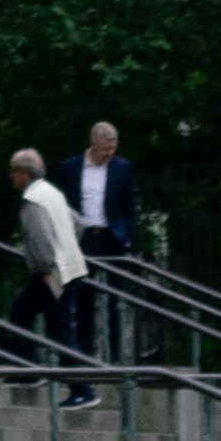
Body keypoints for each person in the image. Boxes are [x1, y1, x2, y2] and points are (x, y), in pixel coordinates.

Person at [7, 148, 95, 399]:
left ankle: (83, 391)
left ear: (24, 173)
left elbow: (41, 238)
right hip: (69, 270)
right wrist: (65, 248)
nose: (11, 177)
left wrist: (47, 266)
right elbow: (79, 224)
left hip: (51, 274)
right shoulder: (51, 193)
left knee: (60, 330)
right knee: (20, 311)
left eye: (13, 172)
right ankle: (28, 369)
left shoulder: (33, 200)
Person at [75, 118, 142, 360]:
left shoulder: (121, 167)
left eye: (113, 148)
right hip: (83, 238)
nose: (109, 154)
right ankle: (84, 352)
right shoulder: (73, 167)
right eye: (106, 149)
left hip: (110, 237)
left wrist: (127, 239)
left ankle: (114, 355)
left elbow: (129, 207)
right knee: (83, 297)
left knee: (115, 298)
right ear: (93, 143)